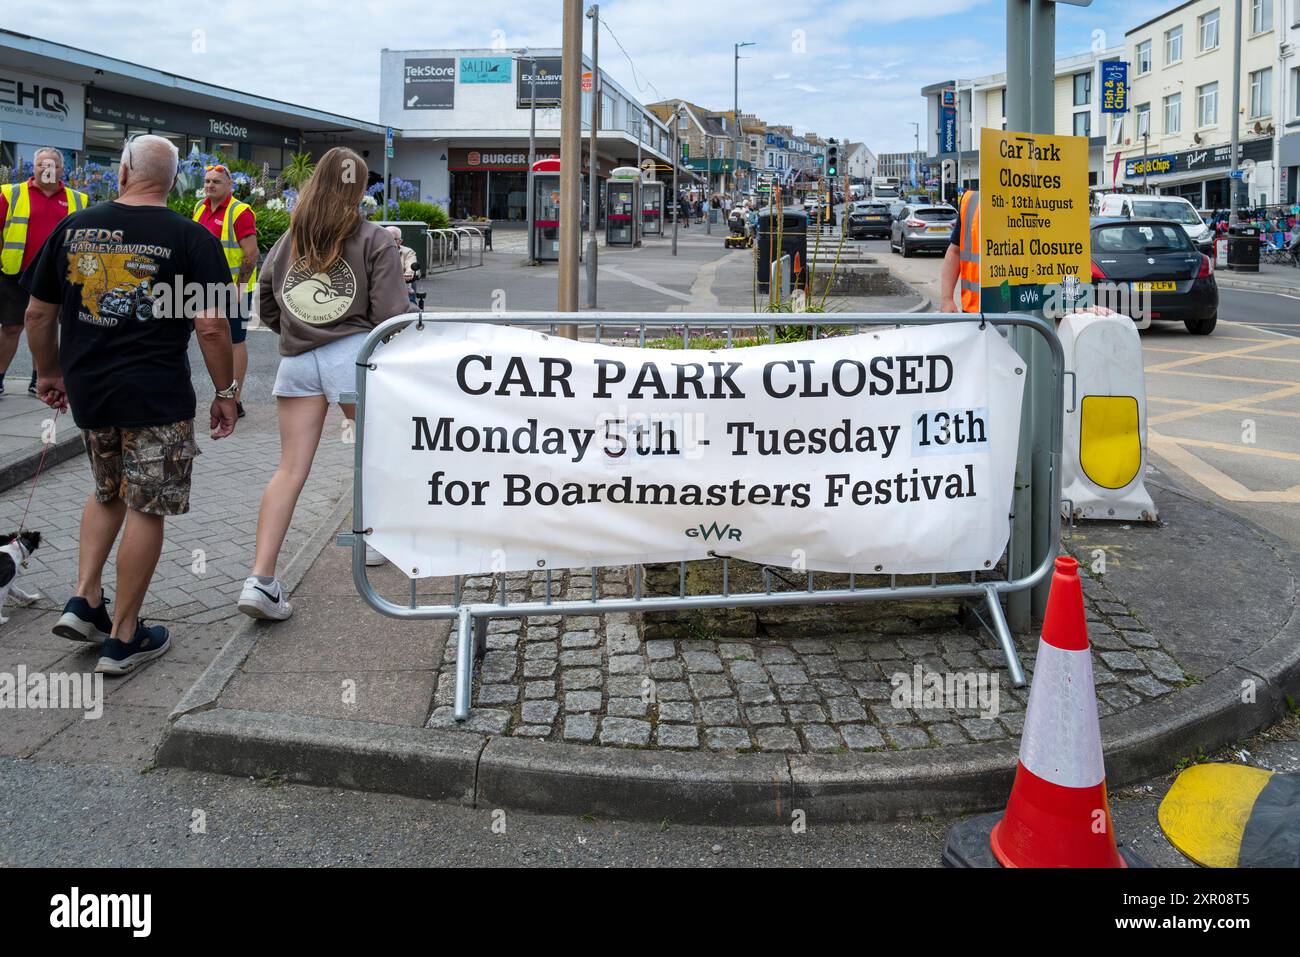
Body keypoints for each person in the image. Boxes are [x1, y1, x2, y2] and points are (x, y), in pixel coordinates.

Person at [23, 134, 238, 674]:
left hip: (91, 390)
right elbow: (211, 326)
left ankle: (84, 599)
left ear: (122, 172)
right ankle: (123, 637)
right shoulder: (190, 238)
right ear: (174, 181)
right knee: (147, 505)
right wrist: (227, 393)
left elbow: (36, 315)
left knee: (106, 491)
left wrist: (49, 371)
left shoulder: (73, 229)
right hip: (156, 395)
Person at [238, 147, 409, 621]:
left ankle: (261, 578)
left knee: (290, 469)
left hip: (296, 360)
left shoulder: (292, 236)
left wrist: (297, 331)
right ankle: (374, 543)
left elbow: (268, 303)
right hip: (351, 356)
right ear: (357, 188)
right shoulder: (373, 238)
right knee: (375, 452)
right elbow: (392, 316)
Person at [0, 148, 89, 397]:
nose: (46, 169)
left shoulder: (78, 199)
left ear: (62, 170)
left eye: (52, 165)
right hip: (16, 272)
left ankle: (39, 376)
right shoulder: (11, 193)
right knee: (11, 327)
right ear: (33, 167)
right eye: (41, 165)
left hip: (58, 276)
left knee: (48, 325)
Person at [192, 163, 258, 418]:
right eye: (207, 181)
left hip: (233, 290)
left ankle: (235, 400)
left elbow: (251, 255)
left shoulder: (240, 212)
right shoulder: (200, 208)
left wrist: (240, 287)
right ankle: (222, 392)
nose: (210, 185)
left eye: (216, 182)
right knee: (211, 338)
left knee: (235, 341)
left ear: (229, 186)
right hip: (205, 288)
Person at [940, 188, 980, 313]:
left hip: (1018, 313)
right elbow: (955, 251)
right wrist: (947, 299)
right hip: (973, 311)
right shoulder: (972, 200)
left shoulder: (1031, 194)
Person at [385, 225, 420, 305]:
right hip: (380, 286)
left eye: (392, 238)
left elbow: (411, 263)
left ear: (400, 241)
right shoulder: (375, 251)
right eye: (384, 237)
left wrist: (409, 273)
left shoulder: (407, 252)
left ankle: (410, 310)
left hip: (401, 285)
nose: (387, 240)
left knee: (410, 285)